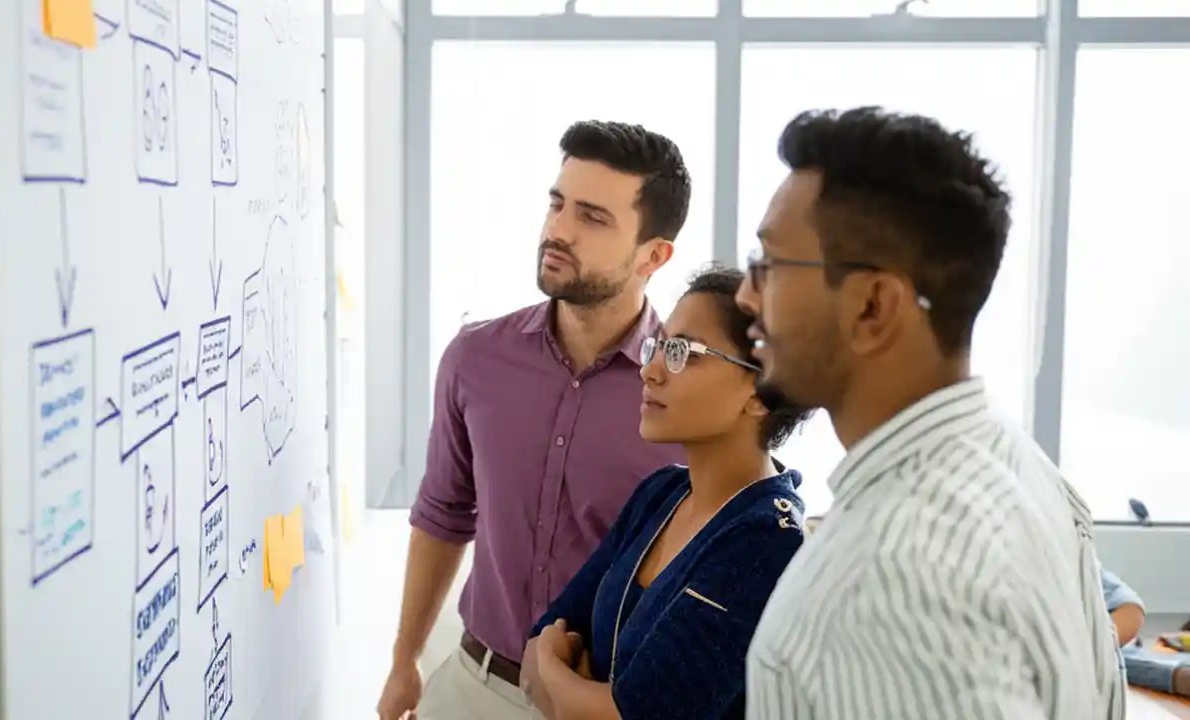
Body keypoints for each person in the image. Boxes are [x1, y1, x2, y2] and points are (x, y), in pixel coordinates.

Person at [735, 106, 1124, 719]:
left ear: (872, 307)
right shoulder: (1022, 466)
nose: (745, 295)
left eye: (771, 267)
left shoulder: (890, 581)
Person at [377, 120, 690, 720]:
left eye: (593, 217)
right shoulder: (475, 358)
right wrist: (404, 660)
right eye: (557, 203)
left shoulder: (686, 391)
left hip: (612, 703)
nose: (558, 230)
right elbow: (444, 513)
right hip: (473, 687)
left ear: (654, 255)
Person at [521, 266, 810, 720]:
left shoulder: (769, 542)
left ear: (762, 390)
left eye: (684, 353)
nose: (650, 370)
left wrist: (559, 679)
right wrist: (575, 694)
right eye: (659, 345)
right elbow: (538, 641)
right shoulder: (662, 493)